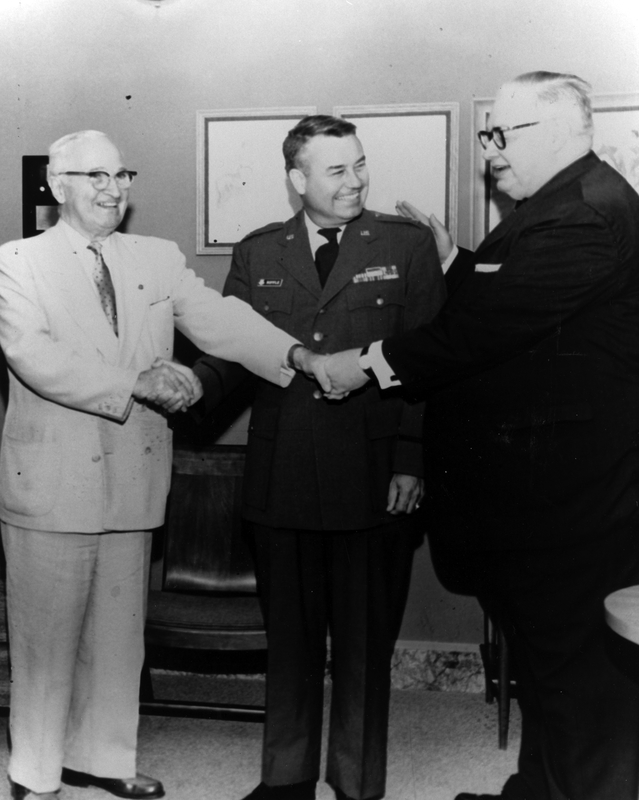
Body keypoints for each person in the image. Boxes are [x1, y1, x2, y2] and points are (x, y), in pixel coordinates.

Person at [315, 72, 639, 800]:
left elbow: (486, 331)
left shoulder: (580, 214)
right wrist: (458, 260)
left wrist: (366, 363)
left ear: (555, 130)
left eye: (501, 134)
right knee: (548, 665)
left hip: (570, 504)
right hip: (547, 498)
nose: (488, 150)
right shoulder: (557, 205)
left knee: (581, 684)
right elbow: (522, 306)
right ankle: (538, 790)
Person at [0, 129, 312, 800]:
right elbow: (37, 358)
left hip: (135, 473)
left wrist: (294, 358)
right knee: (44, 638)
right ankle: (35, 771)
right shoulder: (15, 263)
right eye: (93, 177)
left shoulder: (156, 257)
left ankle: (104, 760)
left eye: (121, 175)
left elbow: (220, 318)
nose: (112, 189)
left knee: (118, 636)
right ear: (58, 187)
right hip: (51, 480)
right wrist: (141, 382)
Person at [193, 114, 446, 800]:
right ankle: (285, 778)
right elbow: (232, 349)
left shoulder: (408, 246)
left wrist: (411, 461)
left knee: (363, 642)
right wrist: (189, 384)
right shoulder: (258, 253)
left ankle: (358, 782)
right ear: (296, 179)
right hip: (282, 472)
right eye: (337, 169)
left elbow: (429, 363)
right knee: (292, 640)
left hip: (372, 474)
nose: (356, 179)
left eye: (360, 164)